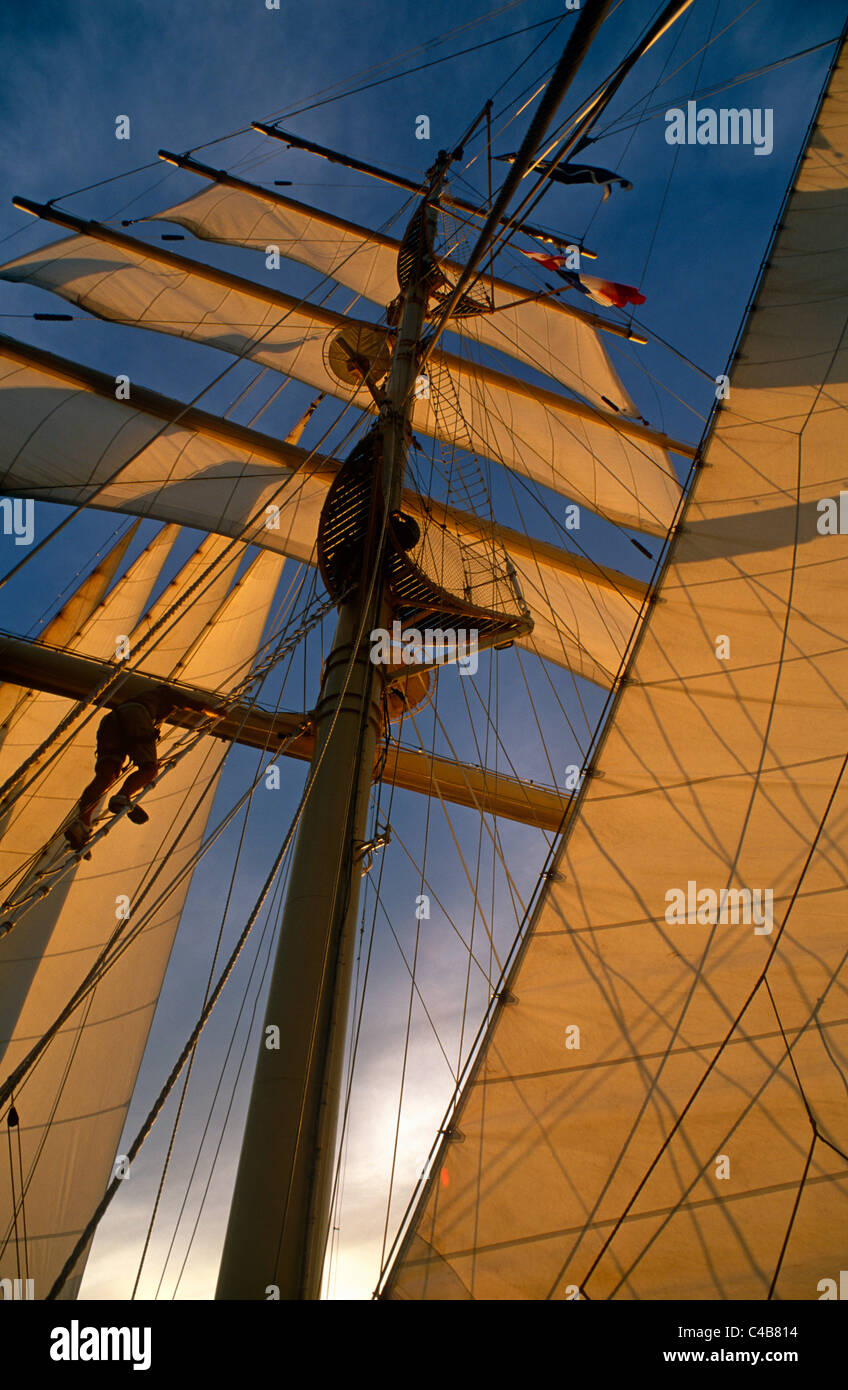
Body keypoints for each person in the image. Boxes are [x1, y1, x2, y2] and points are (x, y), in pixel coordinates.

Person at [65, 684, 220, 850]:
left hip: (111, 720)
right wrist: (218, 713)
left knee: (106, 775)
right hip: (136, 715)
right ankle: (122, 797)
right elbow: (197, 705)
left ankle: (82, 823)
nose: (172, 713)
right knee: (149, 770)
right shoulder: (165, 694)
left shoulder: (146, 697)